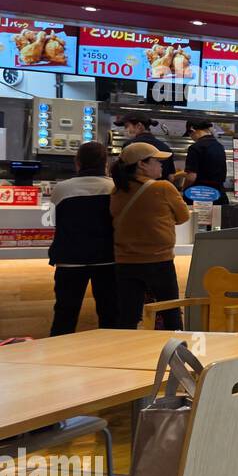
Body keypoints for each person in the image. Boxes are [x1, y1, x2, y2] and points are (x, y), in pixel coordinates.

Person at [110, 141, 191, 330]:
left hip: (125, 262)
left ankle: (127, 348)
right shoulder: (163, 188)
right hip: (159, 261)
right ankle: (174, 348)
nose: (161, 165)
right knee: (170, 313)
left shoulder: (117, 190)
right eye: (156, 161)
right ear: (141, 164)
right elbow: (183, 216)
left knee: (128, 318)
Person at [47, 141, 117, 335]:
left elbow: (51, 220)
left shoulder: (61, 188)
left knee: (65, 314)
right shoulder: (114, 187)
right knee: (110, 313)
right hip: (107, 257)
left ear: (78, 162)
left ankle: (60, 352)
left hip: (70, 258)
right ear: (105, 163)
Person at [176, 120, 229, 205]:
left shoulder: (195, 148)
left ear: (192, 130)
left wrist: (183, 190)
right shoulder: (219, 146)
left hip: (200, 196)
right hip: (219, 195)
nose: (191, 138)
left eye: (190, 134)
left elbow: (191, 177)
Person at [117, 115, 176, 179]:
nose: (125, 130)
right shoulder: (166, 147)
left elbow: (121, 173)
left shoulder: (129, 147)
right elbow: (171, 177)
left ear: (139, 125)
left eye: (126, 126)